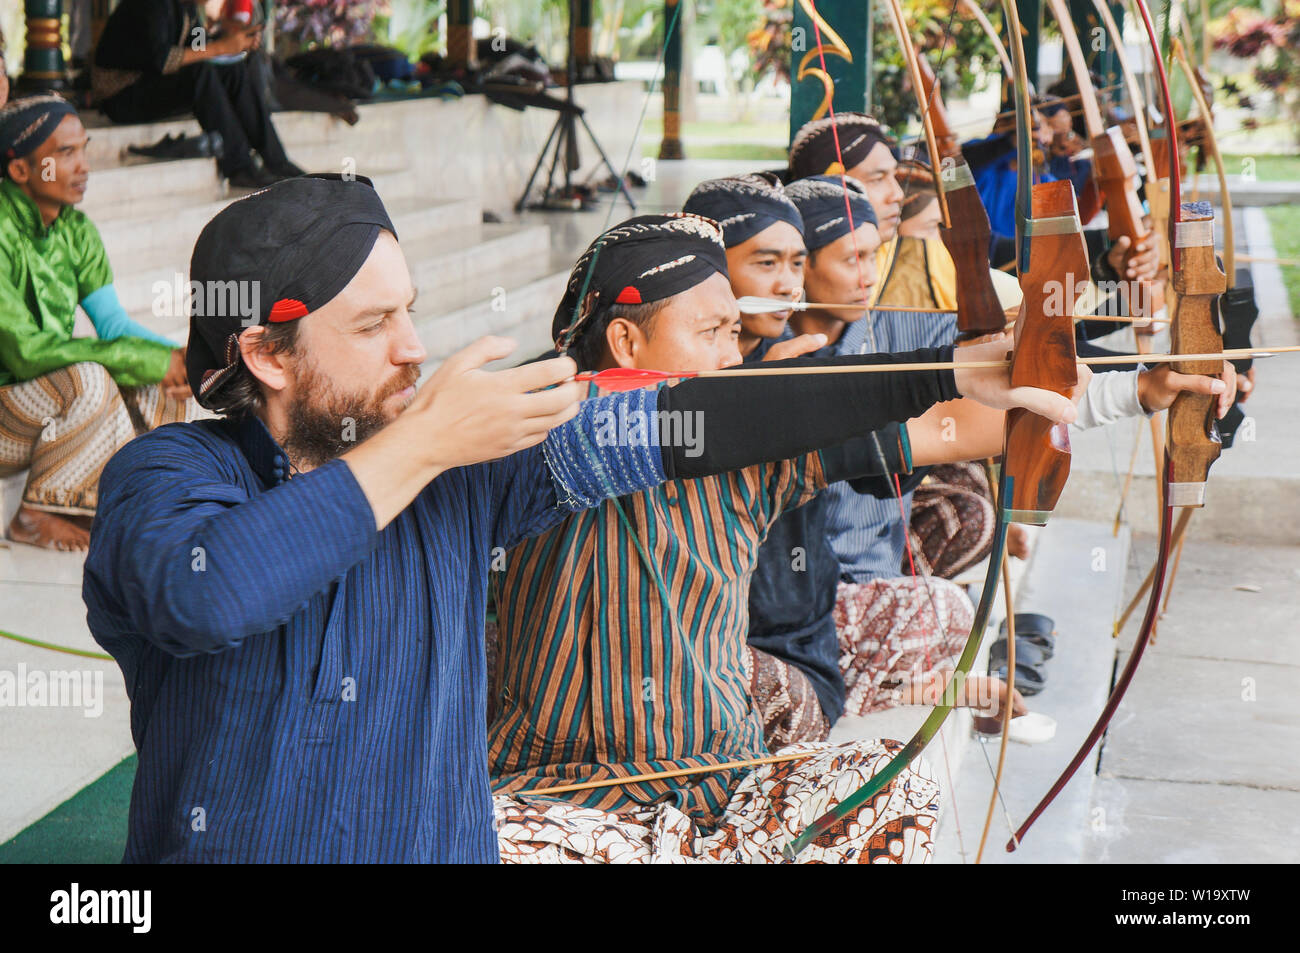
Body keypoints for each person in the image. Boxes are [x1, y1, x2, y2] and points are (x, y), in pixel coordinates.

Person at [487, 210, 1082, 863]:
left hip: (722, 792)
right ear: (626, 342)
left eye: (735, 334)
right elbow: (673, 420)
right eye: (709, 331)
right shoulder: (543, 436)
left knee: (891, 788)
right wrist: (938, 370)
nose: (728, 355)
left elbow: (958, 426)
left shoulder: (755, 449)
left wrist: (1076, 376)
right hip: (559, 797)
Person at [0, 96, 198, 551]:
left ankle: (146, 499)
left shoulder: (76, 229)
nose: (84, 166)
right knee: (90, 378)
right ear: (20, 171)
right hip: (7, 410)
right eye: (65, 153)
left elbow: (112, 326)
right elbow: (24, 352)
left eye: (84, 149)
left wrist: (181, 358)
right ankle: (35, 515)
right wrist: (143, 358)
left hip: (36, 408)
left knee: (158, 382)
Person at [91, 0, 303, 189]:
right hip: (121, 96)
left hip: (151, 87)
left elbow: (200, 49)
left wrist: (232, 39)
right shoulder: (153, 5)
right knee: (199, 73)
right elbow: (161, 59)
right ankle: (240, 167)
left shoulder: (189, 10)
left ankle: (277, 160)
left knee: (232, 70)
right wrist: (221, 47)